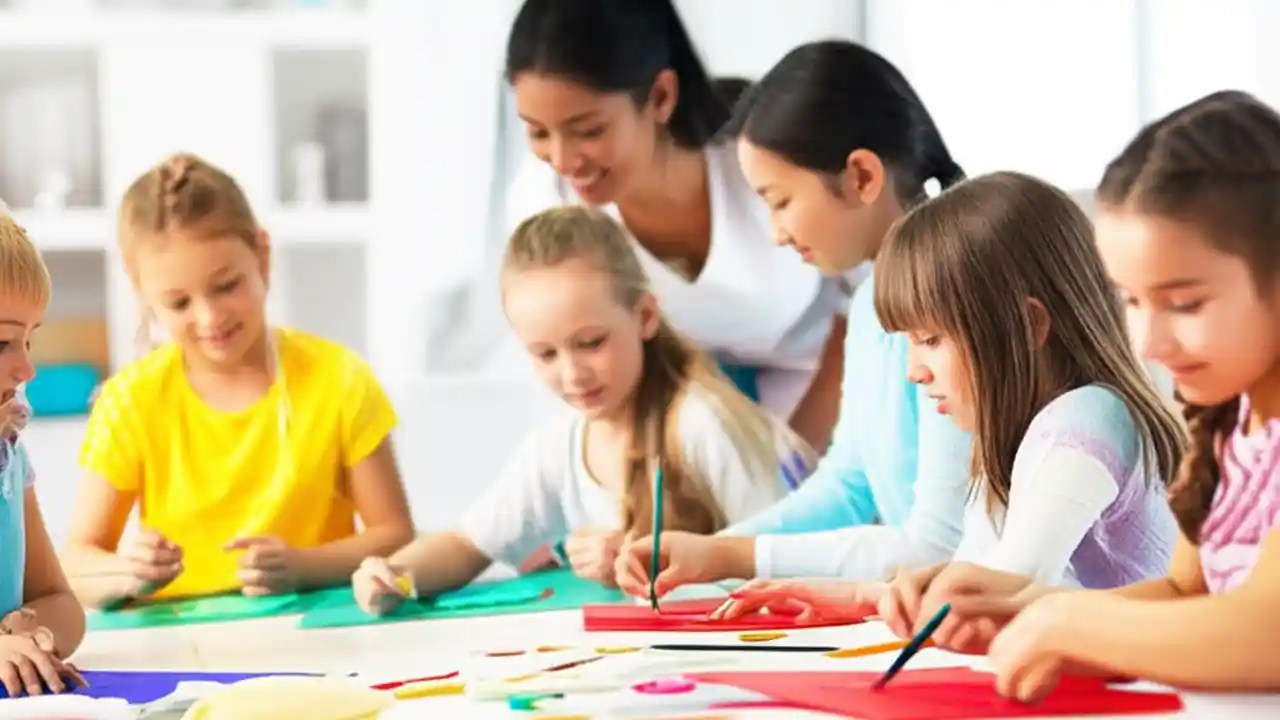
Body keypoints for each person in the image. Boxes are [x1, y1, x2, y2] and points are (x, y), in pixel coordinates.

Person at [709, 172, 1183, 638]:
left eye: (931, 339)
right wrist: (862, 597)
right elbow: (978, 578)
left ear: (1028, 324)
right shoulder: (1007, 449)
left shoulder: (1088, 417)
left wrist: (878, 596)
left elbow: (1000, 595)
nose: (914, 372)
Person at [941, 91, 1280, 703]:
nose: (1150, 341)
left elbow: (1267, 631)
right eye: (1131, 300)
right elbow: (1185, 593)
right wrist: (1025, 613)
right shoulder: (1237, 421)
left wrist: (1070, 623)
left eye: (1185, 304)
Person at [612, 39, 973, 597]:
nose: (776, 233)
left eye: (779, 201)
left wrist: (732, 555)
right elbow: (850, 482)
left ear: (860, 177)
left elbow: (936, 546)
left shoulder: (954, 298)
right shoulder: (871, 306)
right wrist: (714, 550)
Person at [350, 207, 813, 615]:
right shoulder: (561, 445)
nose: (572, 374)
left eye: (590, 343)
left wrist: (644, 570)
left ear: (645, 317)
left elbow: (782, 565)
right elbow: (468, 544)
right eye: (545, 354)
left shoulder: (702, 422)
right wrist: (396, 573)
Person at [61, 153, 414, 607]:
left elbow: (395, 535)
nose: (210, 317)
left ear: (262, 256)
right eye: (179, 303)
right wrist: (127, 571)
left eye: (226, 286)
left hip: (314, 634)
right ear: (142, 292)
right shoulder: (130, 401)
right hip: (179, 648)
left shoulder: (340, 379)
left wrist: (305, 566)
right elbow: (74, 560)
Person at [503, 0, 849, 451]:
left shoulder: (768, 159)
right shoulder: (544, 203)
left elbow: (873, 307)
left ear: (661, 97)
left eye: (588, 130)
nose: (563, 160)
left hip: (833, 398)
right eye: (538, 132)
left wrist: (791, 462)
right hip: (679, 423)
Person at [0, 213, 86, 697]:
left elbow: (62, 605)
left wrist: (30, 636)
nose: (27, 366)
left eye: (30, 339)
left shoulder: (10, 460)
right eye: (1, 341)